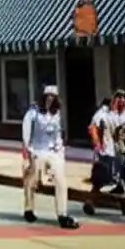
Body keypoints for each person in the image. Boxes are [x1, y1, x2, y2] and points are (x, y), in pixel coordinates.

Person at [22, 85, 80, 228]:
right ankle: (29, 209)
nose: (49, 98)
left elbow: (58, 133)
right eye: (47, 96)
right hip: (37, 150)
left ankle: (62, 214)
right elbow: (26, 131)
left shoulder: (56, 114)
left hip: (53, 152)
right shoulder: (33, 113)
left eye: (52, 96)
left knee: (61, 181)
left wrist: (60, 148)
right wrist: (29, 150)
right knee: (32, 180)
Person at [84, 89, 125, 215]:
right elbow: (93, 128)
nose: (121, 101)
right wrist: (97, 144)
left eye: (124, 99)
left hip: (120, 153)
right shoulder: (103, 113)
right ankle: (90, 202)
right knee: (101, 178)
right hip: (105, 152)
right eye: (118, 98)